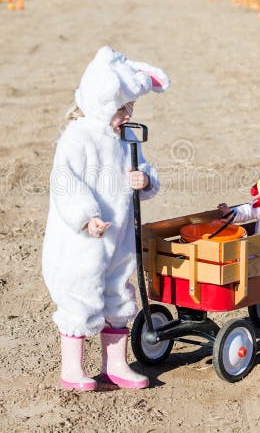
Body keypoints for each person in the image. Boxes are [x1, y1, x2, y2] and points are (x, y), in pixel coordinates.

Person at [42, 46, 170, 391]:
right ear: (100, 103)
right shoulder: (78, 138)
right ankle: (72, 369)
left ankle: (116, 364)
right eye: (122, 108)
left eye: (131, 107)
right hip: (83, 240)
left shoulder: (126, 137)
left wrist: (145, 180)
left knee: (118, 293)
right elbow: (66, 180)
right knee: (80, 296)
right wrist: (86, 217)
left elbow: (142, 168)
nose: (128, 114)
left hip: (119, 237)